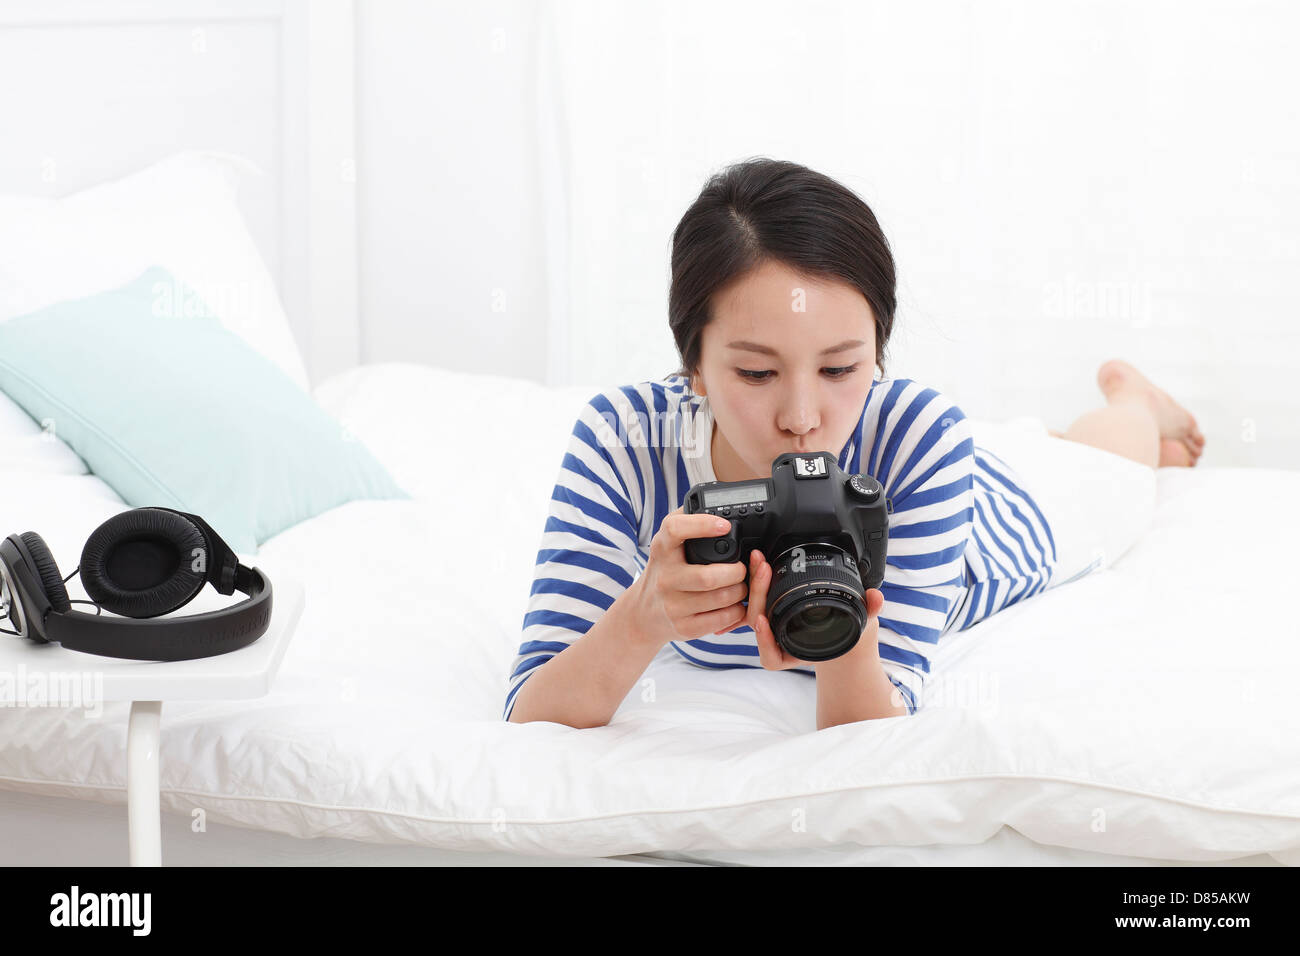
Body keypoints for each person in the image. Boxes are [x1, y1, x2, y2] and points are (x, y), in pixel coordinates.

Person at [504, 158, 1205, 730]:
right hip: (920, 463)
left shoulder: (920, 433)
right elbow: (533, 710)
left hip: (997, 526)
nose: (803, 417)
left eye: (841, 369)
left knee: (1108, 463)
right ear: (693, 363)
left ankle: (1134, 398)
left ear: (878, 352)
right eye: (755, 372)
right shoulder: (624, 440)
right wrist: (641, 617)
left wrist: (843, 630)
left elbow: (871, 729)